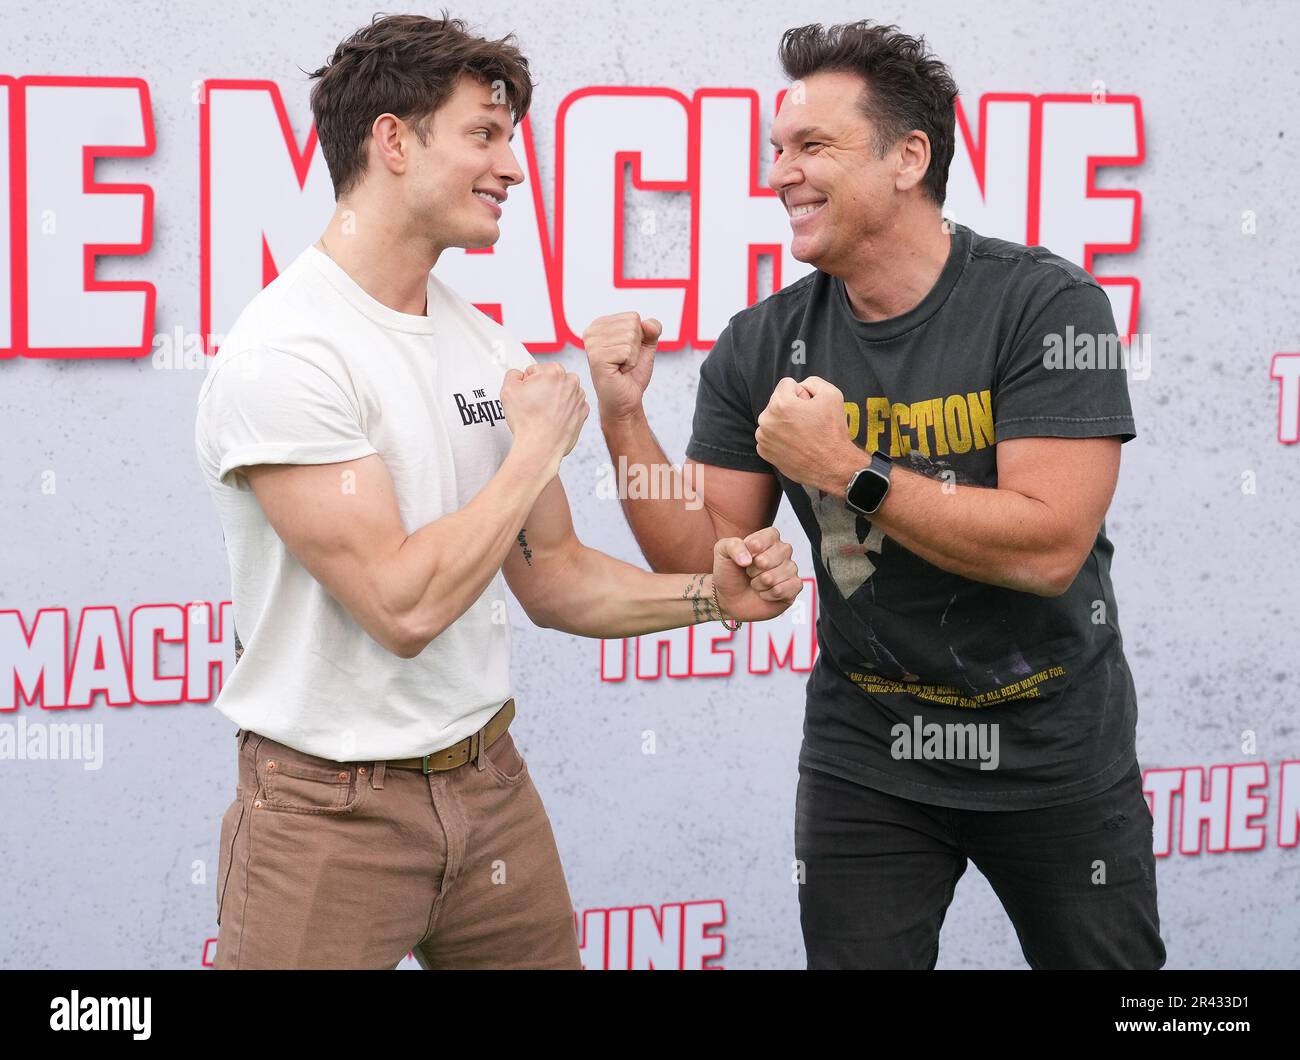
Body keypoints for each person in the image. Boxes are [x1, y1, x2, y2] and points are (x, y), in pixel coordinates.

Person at [193, 13, 802, 970]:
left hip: (490, 790)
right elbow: (402, 605)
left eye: (510, 139)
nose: (513, 167)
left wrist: (710, 595)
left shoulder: (485, 347)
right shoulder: (287, 351)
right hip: (327, 816)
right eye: (484, 134)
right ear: (392, 140)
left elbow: (554, 577)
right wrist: (532, 453)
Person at [583, 19, 1165, 970]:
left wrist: (847, 471)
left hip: (1054, 749)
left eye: (812, 146)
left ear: (909, 157)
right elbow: (704, 562)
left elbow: (1048, 545)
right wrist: (621, 420)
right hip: (869, 755)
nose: (780, 173)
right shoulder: (761, 340)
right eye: (777, 149)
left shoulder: (1048, 308)